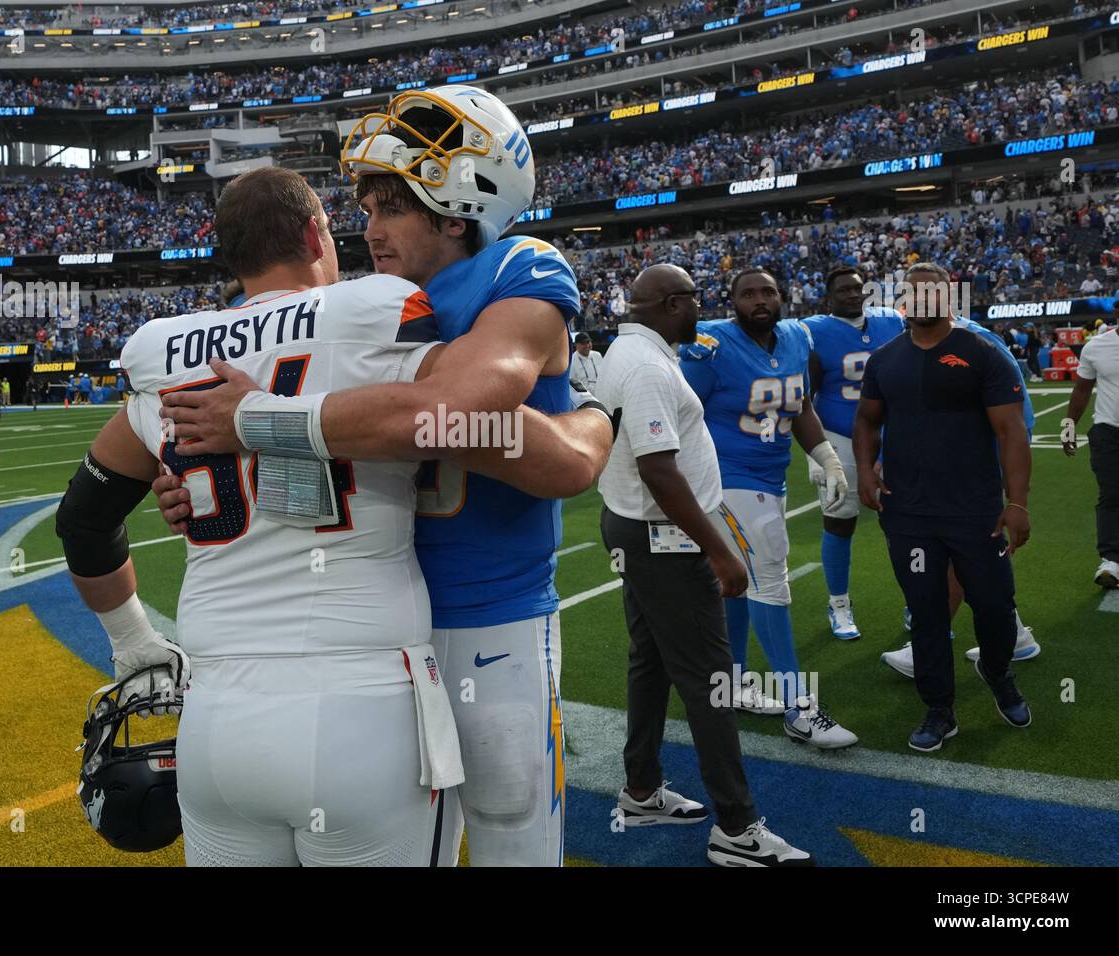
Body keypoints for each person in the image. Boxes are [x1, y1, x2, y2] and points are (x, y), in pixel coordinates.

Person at [150, 85, 616, 866]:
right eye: (364, 209)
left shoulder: (518, 268)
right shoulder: (359, 306)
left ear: (459, 206)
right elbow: (437, 437)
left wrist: (261, 422)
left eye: (391, 206)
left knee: (513, 821)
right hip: (371, 631)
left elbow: (449, 409)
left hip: (487, 612)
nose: (369, 230)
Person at [58, 167, 463, 867]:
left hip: (217, 728)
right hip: (362, 706)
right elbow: (465, 420)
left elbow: (84, 518)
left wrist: (135, 644)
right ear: (314, 235)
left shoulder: (169, 356)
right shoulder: (377, 311)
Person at [595, 263, 813, 866]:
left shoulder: (632, 349)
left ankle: (640, 789)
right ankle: (737, 829)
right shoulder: (646, 365)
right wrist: (719, 549)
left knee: (652, 662)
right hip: (663, 536)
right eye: (694, 300)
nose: (702, 312)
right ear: (670, 304)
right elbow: (659, 469)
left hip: (634, 527)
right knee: (712, 679)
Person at [854, 262, 1033, 752]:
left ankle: (996, 670)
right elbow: (867, 421)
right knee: (927, 612)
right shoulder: (886, 359)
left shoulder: (983, 354)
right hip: (909, 512)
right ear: (902, 302)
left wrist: (1016, 502)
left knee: (995, 607)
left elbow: (1011, 433)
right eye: (914, 292)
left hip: (976, 510)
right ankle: (939, 708)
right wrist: (866, 470)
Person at [680, 268, 858, 749]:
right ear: (732, 300)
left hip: (770, 475)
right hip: (727, 478)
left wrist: (826, 457)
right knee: (772, 581)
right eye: (748, 293)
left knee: (738, 582)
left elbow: (799, 406)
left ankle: (733, 680)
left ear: (782, 297)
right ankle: (800, 707)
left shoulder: (797, 338)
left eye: (768, 292)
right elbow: (679, 410)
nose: (759, 300)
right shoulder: (710, 345)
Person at [880, 303, 1042, 675]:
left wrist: (1010, 483)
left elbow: (1017, 418)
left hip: (971, 468)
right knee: (968, 553)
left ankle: (932, 649)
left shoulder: (975, 341)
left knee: (954, 553)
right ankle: (1014, 635)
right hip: (941, 467)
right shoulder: (915, 342)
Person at [801, 265, 905, 640]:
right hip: (838, 434)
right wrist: (816, 451)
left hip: (891, 435)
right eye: (842, 289)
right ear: (829, 297)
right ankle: (839, 603)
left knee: (902, 520)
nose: (851, 294)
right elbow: (803, 395)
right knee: (840, 520)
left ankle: (916, 599)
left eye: (856, 288)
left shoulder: (891, 321)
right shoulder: (813, 330)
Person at [1063, 322, 1119, 588]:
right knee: (1111, 493)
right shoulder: (1096, 346)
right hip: (1108, 430)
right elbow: (1082, 389)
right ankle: (1111, 560)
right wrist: (1068, 428)